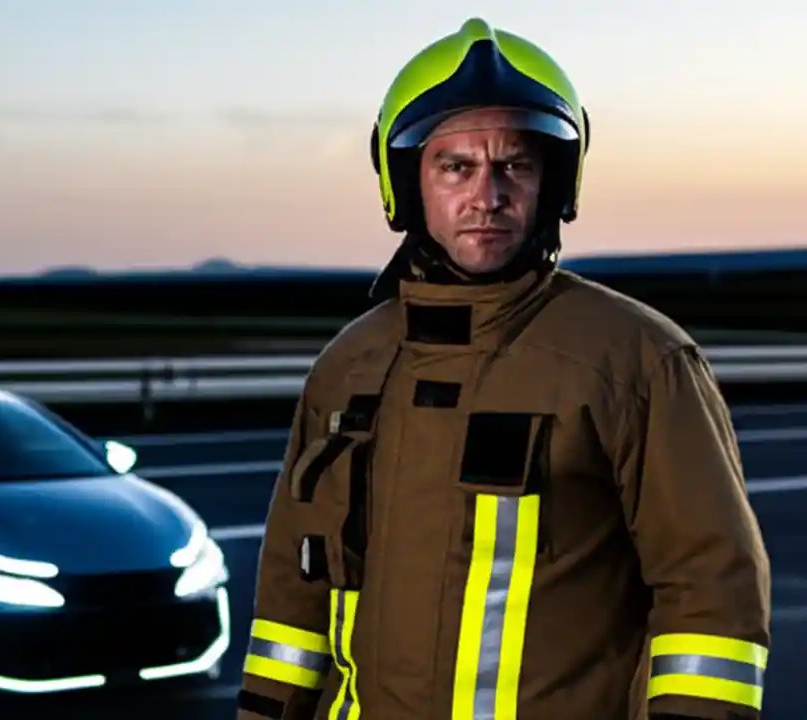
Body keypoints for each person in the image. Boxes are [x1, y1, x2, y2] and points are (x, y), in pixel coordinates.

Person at [235, 17, 771, 720]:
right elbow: (289, 607)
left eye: (513, 164)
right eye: (455, 166)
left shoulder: (635, 361)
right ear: (408, 182)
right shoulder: (347, 368)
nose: (485, 197)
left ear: (553, 181)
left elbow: (711, 594)